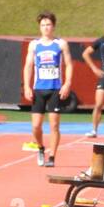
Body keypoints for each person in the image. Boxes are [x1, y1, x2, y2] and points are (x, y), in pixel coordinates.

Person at [23, 11, 71, 168]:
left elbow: (69, 64)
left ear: (53, 26)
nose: (46, 28)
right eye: (43, 25)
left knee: (54, 125)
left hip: (55, 89)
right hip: (38, 89)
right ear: (39, 27)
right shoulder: (34, 45)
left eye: (48, 25)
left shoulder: (61, 44)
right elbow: (28, 66)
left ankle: (52, 156)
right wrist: (27, 86)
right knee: (36, 125)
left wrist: (67, 84)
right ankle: (41, 148)